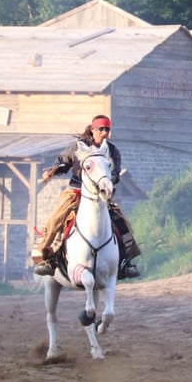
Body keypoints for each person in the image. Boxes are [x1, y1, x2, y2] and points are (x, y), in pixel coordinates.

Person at [29, 115, 141, 279]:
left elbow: (115, 173)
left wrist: (108, 181)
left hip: (101, 194)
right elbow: (63, 163)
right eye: (101, 129)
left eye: (107, 129)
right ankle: (47, 259)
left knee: (122, 223)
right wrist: (52, 170)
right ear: (92, 130)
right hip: (76, 191)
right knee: (56, 220)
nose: (104, 133)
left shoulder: (112, 150)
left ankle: (125, 262)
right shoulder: (78, 147)